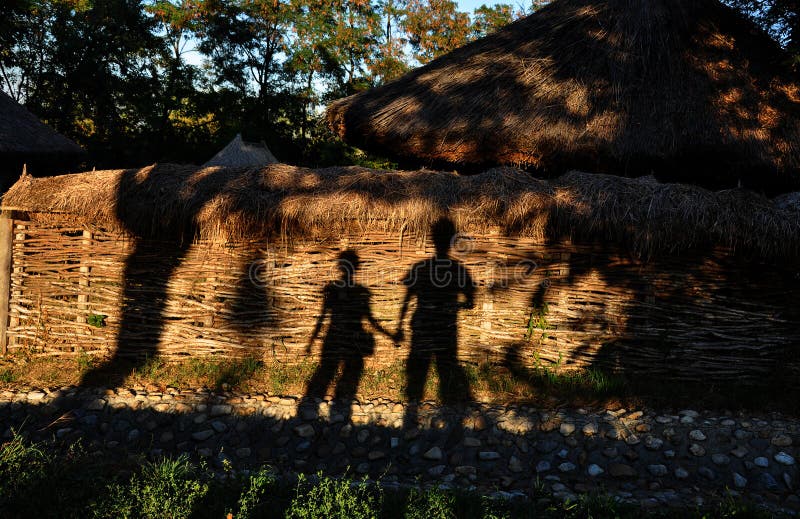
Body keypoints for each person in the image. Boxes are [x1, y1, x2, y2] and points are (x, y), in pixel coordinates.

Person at [395, 218, 475, 428]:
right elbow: (470, 302)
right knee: (445, 367)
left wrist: (399, 326)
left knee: (419, 368)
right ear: (451, 242)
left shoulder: (421, 267)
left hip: (423, 324)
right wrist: (453, 308)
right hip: (445, 326)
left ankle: (412, 414)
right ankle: (449, 417)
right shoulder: (459, 270)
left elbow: (407, 299)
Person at [303, 250, 392, 422]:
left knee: (337, 372)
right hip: (342, 337)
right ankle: (334, 411)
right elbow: (370, 321)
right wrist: (311, 341)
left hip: (342, 337)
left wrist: (311, 341)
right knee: (337, 372)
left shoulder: (349, 291)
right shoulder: (351, 291)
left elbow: (323, 319)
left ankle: (327, 412)